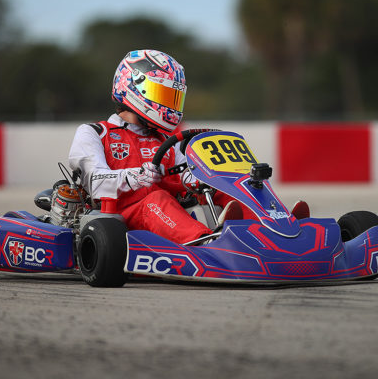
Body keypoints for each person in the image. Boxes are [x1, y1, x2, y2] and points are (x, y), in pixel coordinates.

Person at [68, 49, 309, 245]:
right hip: (120, 218)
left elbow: (182, 174)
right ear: (133, 87)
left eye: (172, 97)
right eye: (161, 93)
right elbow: (95, 181)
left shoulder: (165, 140)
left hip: (165, 216)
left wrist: (194, 178)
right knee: (156, 198)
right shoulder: (95, 133)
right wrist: (135, 176)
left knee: (225, 182)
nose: (168, 104)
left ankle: (278, 228)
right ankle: (207, 243)